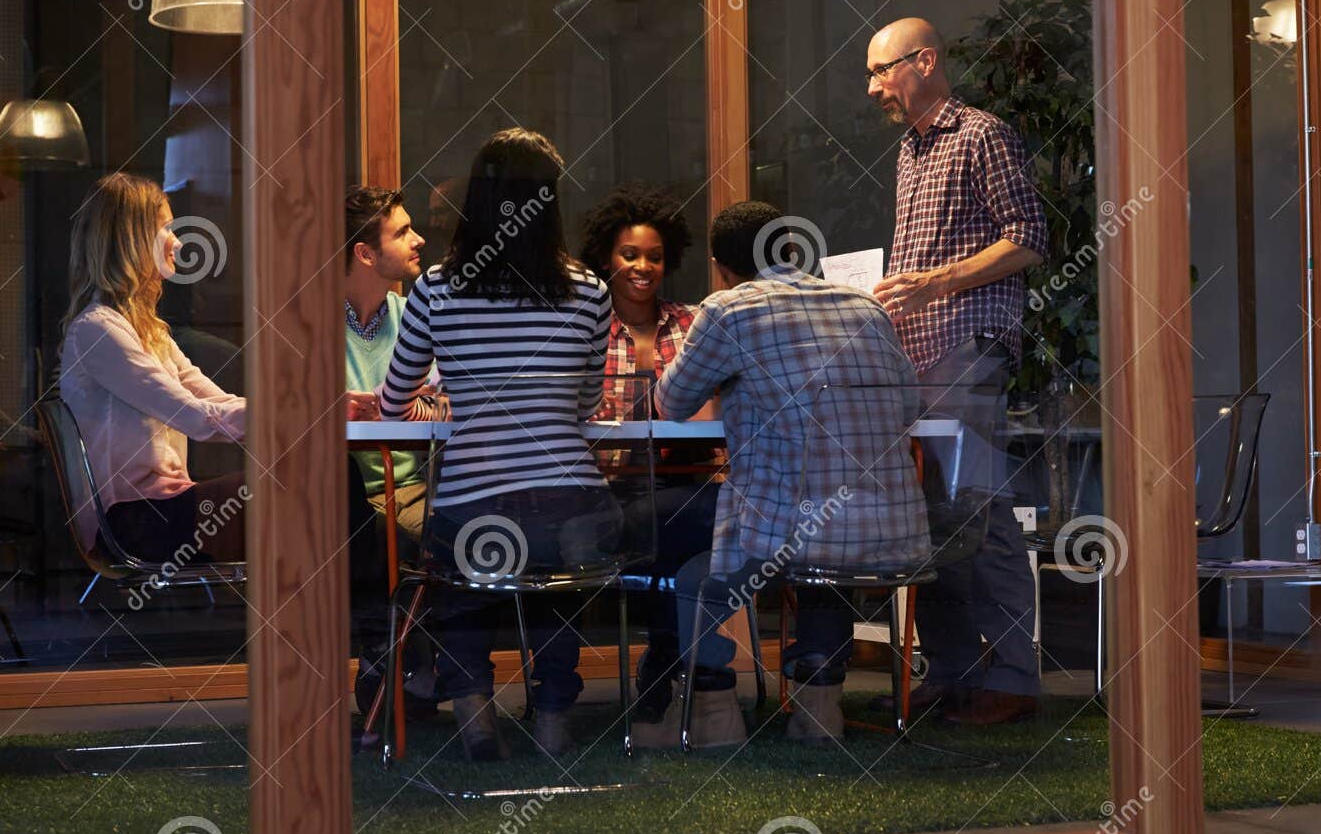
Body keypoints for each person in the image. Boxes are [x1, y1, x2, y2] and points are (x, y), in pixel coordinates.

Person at [637, 200, 931, 748]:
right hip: (890, 534)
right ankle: (820, 709)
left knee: (696, 576)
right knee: (827, 554)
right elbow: (910, 401)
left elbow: (670, 402)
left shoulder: (728, 310)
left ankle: (712, 713)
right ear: (791, 251)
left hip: (785, 534)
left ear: (722, 267)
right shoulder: (865, 307)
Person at [380, 128, 622, 762]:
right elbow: (587, 404)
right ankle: (553, 720)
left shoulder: (436, 288)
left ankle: (476, 718)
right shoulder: (591, 291)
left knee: (457, 592)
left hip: (473, 498)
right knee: (557, 589)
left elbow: (392, 399)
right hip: (572, 496)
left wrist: (461, 401)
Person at [866, 16, 1047, 725]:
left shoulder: (981, 134)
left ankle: (1012, 677)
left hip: (967, 346)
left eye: (883, 70)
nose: (874, 86)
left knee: (980, 508)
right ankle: (952, 669)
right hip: (916, 356)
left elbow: (1028, 238)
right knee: (931, 517)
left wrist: (935, 283)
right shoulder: (909, 152)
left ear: (926, 60)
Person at [578, 184, 719, 723]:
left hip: (686, 482)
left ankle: (667, 658)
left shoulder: (693, 324)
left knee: (675, 519)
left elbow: (712, 414)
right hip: (604, 487)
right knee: (638, 523)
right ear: (605, 259)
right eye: (629, 254)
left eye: (654, 257)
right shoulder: (583, 330)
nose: (643, 266)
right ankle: (666, 659)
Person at [58, 173, 247, 565]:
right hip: (133, 520)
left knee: (324, 478)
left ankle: (352, 612)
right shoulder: (99, 329)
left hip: (166, 505)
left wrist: (317, 411)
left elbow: (214, 399)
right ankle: (361, 612)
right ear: (130, 239)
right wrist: (293, 419)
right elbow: (196, 418)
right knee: (306, 485)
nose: (178, 241)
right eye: (165, 229)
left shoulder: (150, 331)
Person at [342, 185, 440, 725]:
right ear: (364, 253)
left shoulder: (415, 315)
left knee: (465, 521)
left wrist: (402, 411)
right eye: (402, 232)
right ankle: (406, 664)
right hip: (348, 499)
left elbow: (447, 406)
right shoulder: (305, 326)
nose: (419, 239)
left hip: (422, 486)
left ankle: (416, 666)